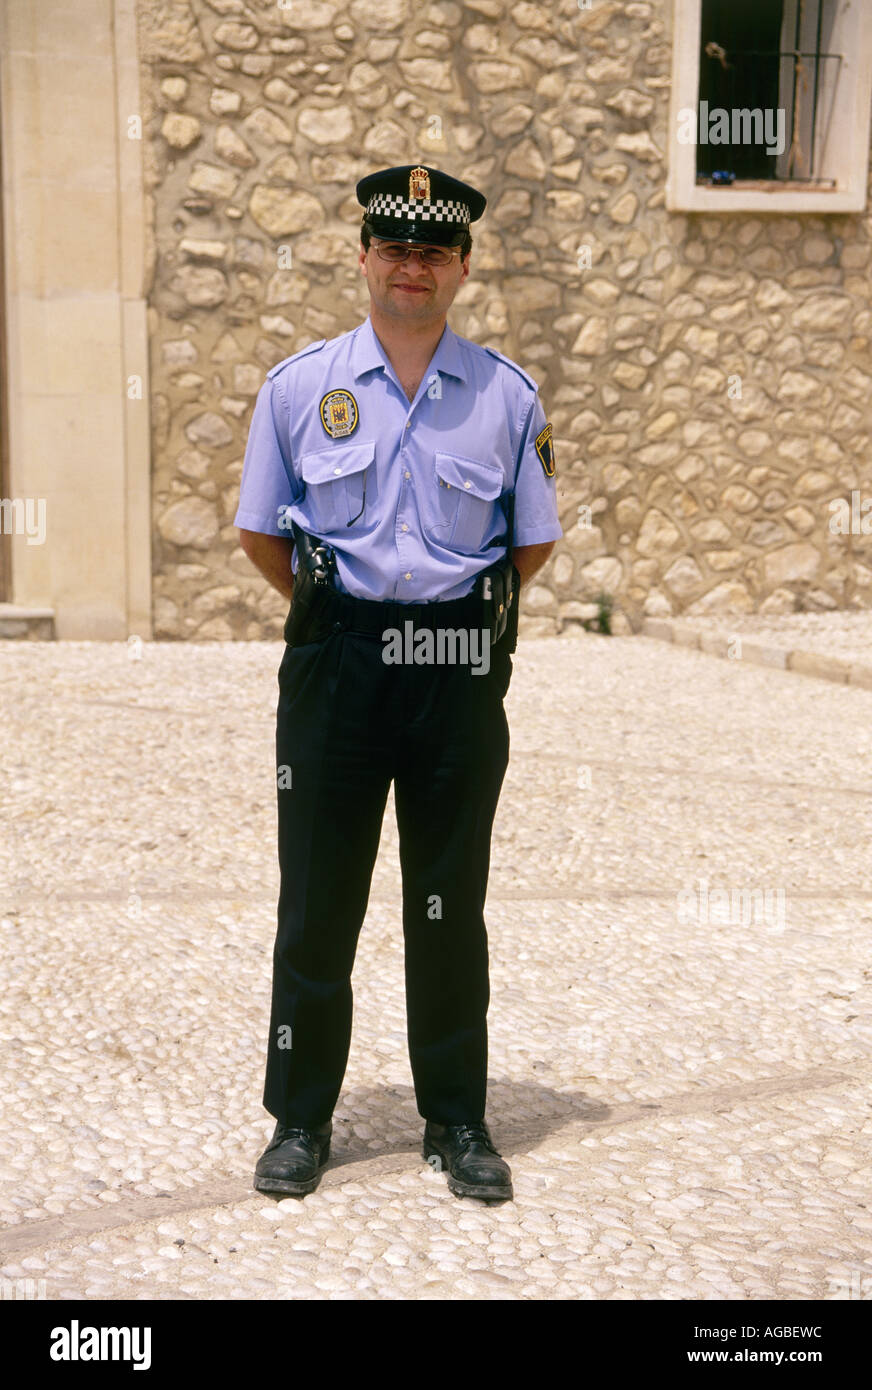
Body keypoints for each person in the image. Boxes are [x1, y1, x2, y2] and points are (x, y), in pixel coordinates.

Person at [234, 164, 562, 1203]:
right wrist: (349, 619)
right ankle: (299, 1119)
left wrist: (448, 621)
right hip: (340, 664)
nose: (410, 267)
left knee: (446, 903)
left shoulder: (505, 397)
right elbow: (259, 530)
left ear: (460, 266)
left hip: (455, 672)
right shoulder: (298, 389)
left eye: (432, 251)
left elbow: (531, 541)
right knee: (317, 901)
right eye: (393, 246)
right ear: (363, 256)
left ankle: (456, 1118)